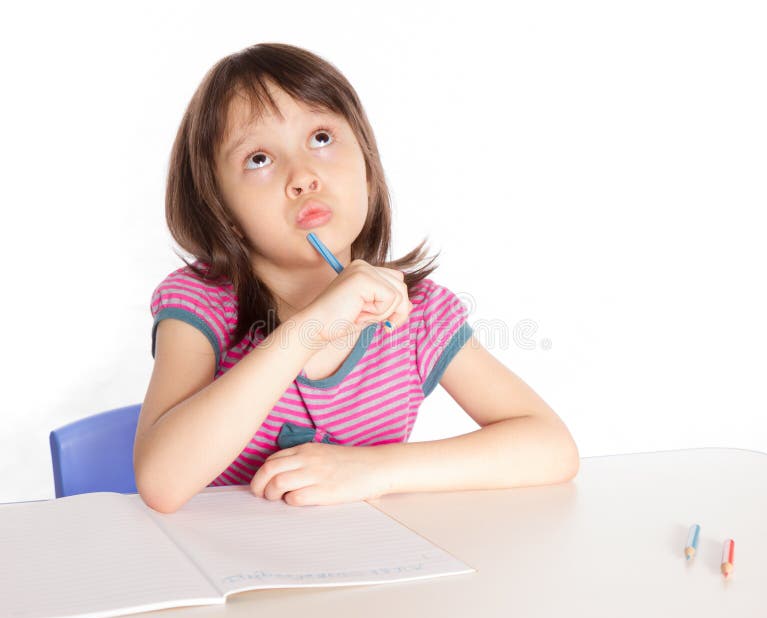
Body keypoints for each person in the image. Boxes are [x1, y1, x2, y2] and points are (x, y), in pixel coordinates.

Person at [134, 42, 579, 514]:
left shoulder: (419, 311)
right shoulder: (199, 304)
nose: (303, 176)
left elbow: (551, 447)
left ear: (367, 164)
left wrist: (374, 469)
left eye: (322, 138)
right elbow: (163, 483)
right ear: (217, 205)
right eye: (259, 158)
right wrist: (308, 329)